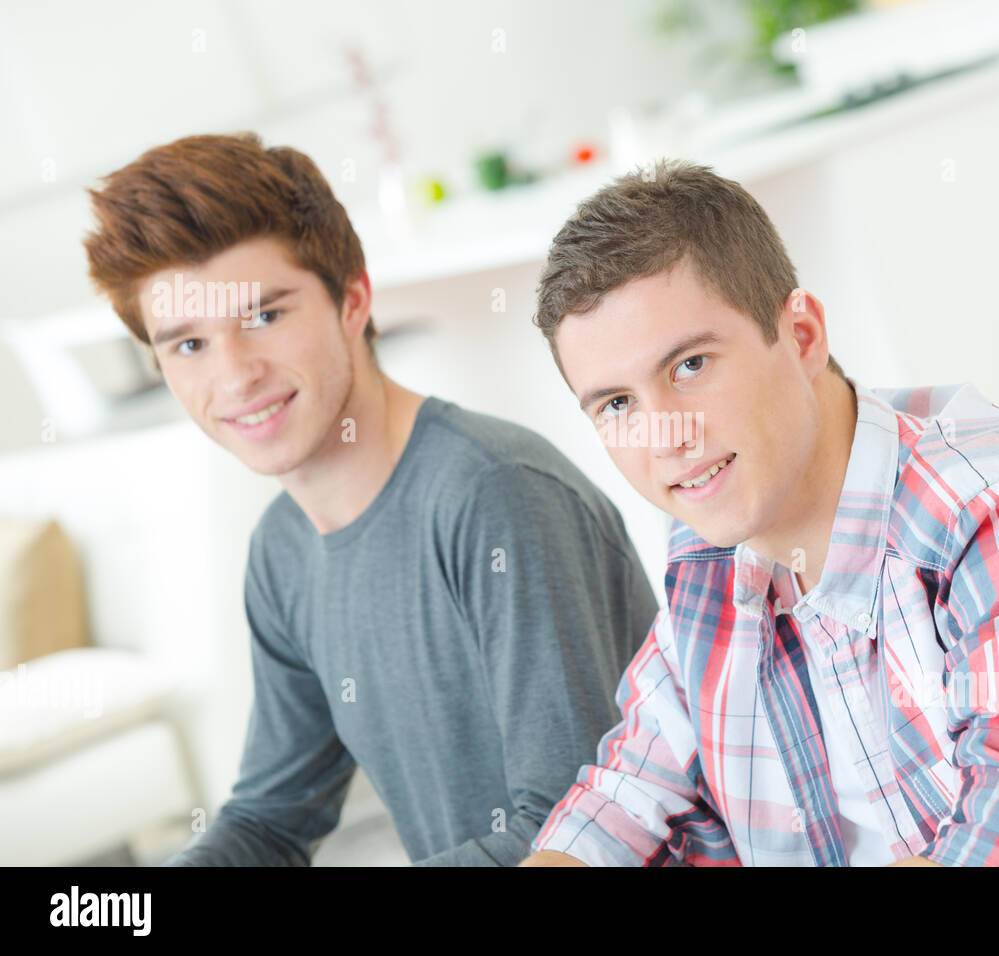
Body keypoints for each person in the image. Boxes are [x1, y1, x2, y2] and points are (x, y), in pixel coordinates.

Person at [518, 159, 999, 867]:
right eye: (617, 404)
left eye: (690, 366)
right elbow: (619, 804)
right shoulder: (713, 553)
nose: (665, 436)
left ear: (801, 335)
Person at [82, 132, 658, 866]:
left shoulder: (495, 495)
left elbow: (575, 837)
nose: (234, 376)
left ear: (352, 299)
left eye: (264, 316)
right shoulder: (282, 550)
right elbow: (271, 819)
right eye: (188, 345)